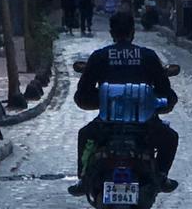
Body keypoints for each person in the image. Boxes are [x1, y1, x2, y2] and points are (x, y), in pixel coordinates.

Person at [68, 10, 179, 195]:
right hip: (146, 126)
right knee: (170, 138)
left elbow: (83, 94)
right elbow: (165, 91)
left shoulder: (100, 57)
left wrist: (103, 99)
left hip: (107, 126)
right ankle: (161, 176)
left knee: (84, 135)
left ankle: (83, 178)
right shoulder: (148, 56)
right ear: (133, 32)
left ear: (112, 32)